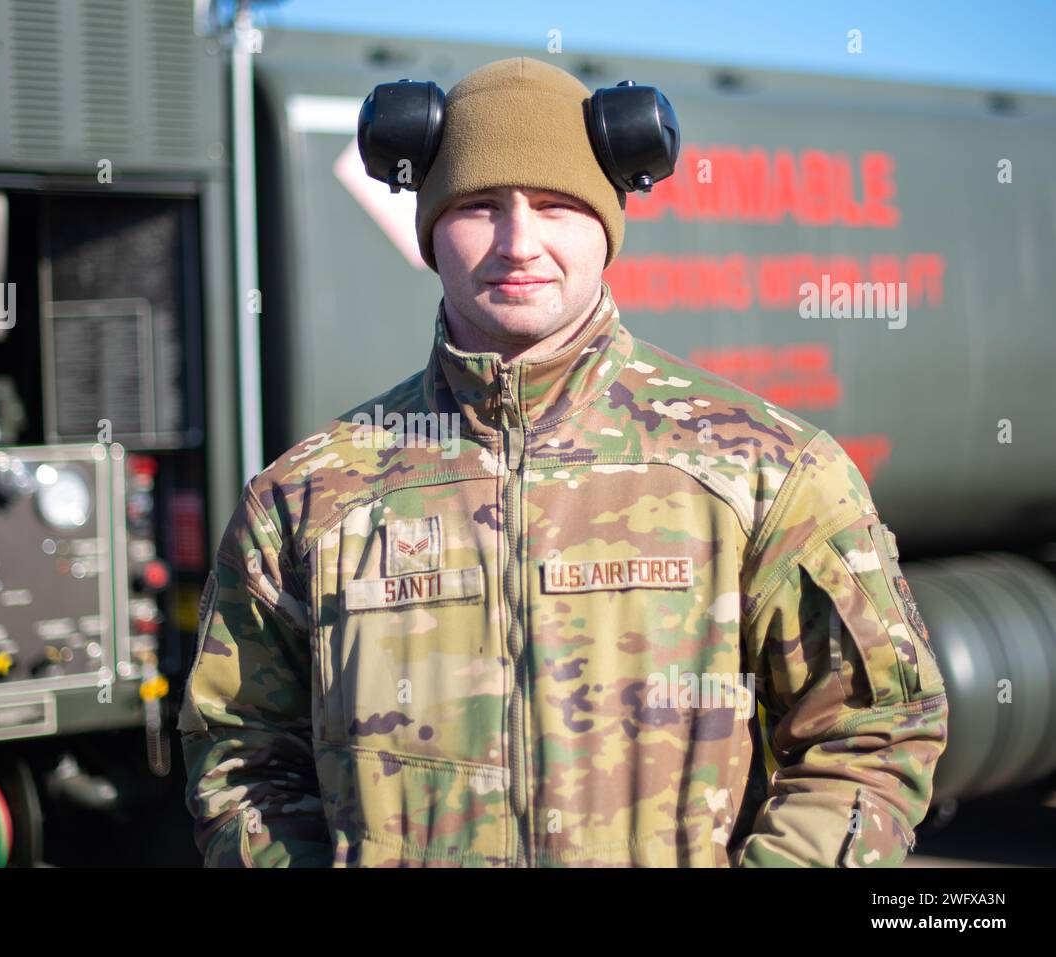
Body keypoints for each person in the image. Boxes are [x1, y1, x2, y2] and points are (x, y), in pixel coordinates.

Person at [178, 56, 948, 867]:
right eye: (479, 206)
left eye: (555, 205)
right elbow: (243, 756)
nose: (519, 243)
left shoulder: (763, 472)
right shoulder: (308, 497)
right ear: (431, 230)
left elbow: (873, 733)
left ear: (607, 223)